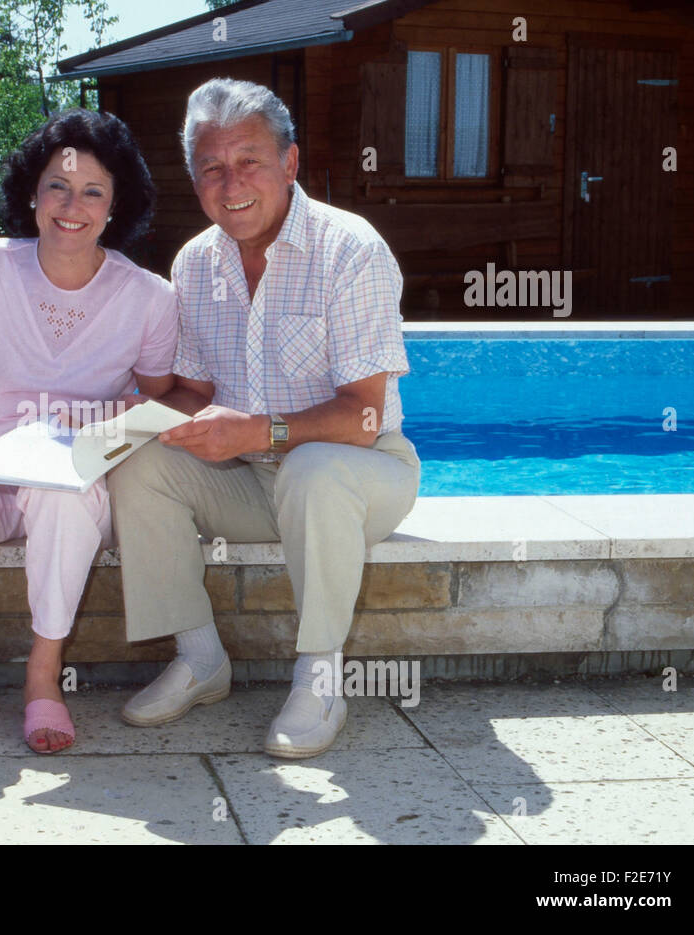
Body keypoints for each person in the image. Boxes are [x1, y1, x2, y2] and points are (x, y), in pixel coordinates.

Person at [107, 78, 420, 758]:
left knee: (310, 466)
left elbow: (365, 416)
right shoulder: (195, 263)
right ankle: (199, 657)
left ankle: (320, 675)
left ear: (291, 163)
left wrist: (260, 430)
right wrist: (125, 426)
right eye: (211, 168)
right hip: (256, 480)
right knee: (135, 457)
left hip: (364, 475)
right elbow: (194, 391)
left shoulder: (351, 250)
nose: (230, 183)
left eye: (248, 160)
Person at [0, 109, 178, 754]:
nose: (72, 205)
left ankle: (44, 679)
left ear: (114, 205)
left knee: (67, 493)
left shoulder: (149, 296)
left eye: (93, 191)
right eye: (58, 185)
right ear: (31, 191)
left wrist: (123, 417)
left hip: (74, 463)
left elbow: (170, 398)